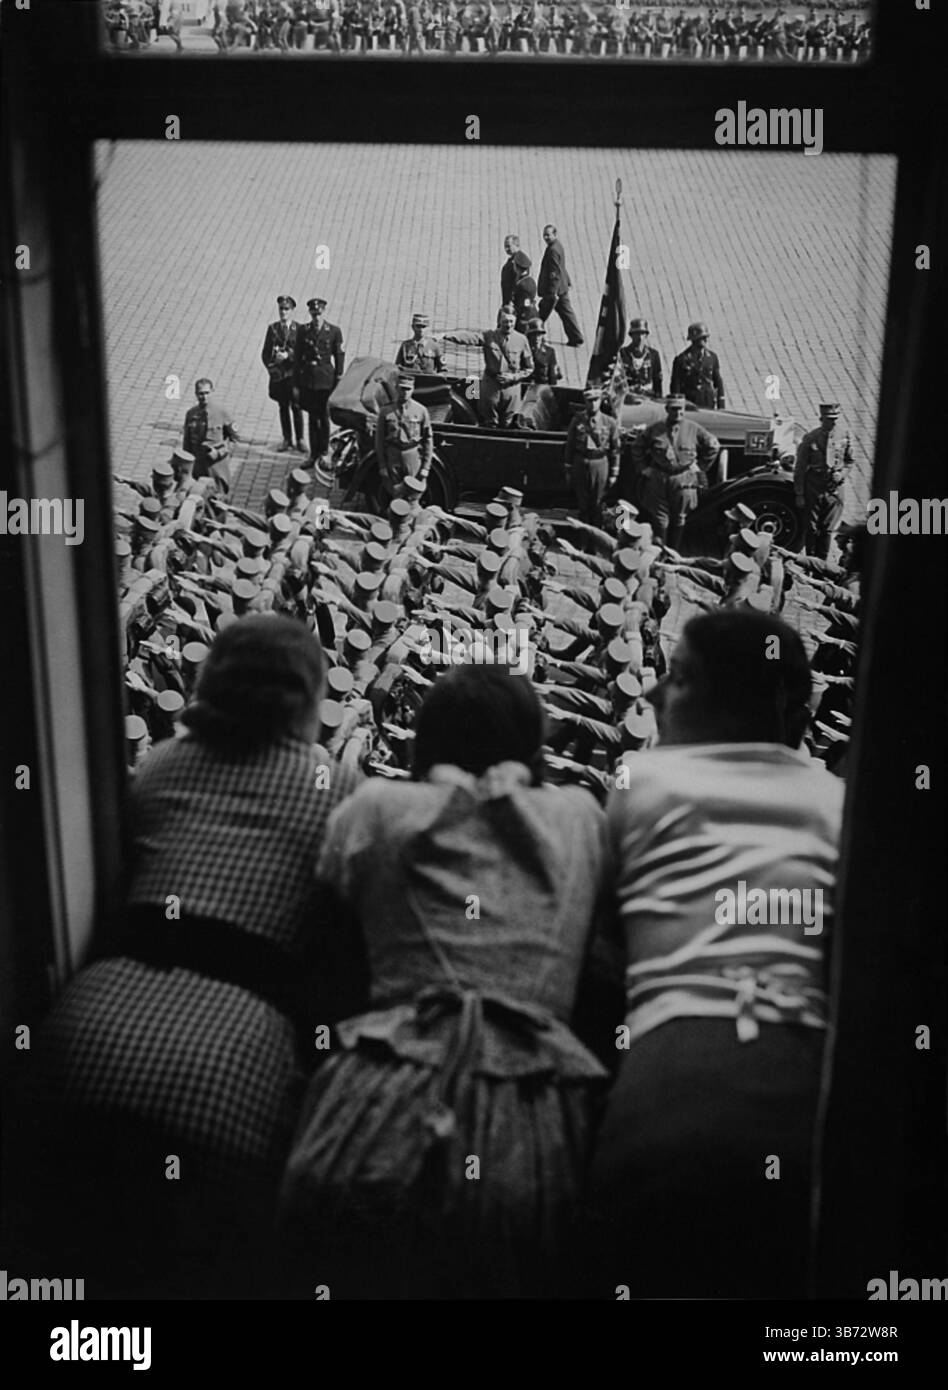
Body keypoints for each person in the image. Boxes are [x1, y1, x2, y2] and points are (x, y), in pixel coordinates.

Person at [17, 617, 360, 1298]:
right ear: (309, 698)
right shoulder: (333, 787)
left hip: (79, 1043)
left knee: (68, 1266)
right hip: (228, 1075)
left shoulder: (161, 763)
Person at [278, 664, 612, 1299]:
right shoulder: (579, 821)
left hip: (369, 1112)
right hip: (531, 1127)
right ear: (531, 748)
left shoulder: (375, 809)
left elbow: (322, 960)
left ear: (423, 742)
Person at [580, 608, 845, 1299]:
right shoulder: (838, 803)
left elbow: (599, 953)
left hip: (668, 1100)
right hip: (805, 1109)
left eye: (679, 679)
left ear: (730, 701)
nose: (657, 696)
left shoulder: (642, 779)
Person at [629, 392, 719, 548]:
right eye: (674, 409)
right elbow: (637, 446)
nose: (678, 413)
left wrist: (699, 467)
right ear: (667, 409)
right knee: (660, 518)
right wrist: (643, 468)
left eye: (681, 409)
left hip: (683, 479)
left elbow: (713, 446)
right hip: (659, 478)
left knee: (680, 518)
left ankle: (673, 553)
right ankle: (658, 552)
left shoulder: (693, 429)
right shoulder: (655, 429)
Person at [443, 306, 534, 427]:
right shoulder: (489, 336)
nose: (508, 325)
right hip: (491, 386)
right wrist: (446, 335)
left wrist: (514, 377)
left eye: (511, 321)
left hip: (511, 389)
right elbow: (469, 337)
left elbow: (529, 368)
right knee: (488, 420)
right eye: (505, 321)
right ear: (499, 321)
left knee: (510, 422)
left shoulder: (521, 340)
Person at [794, 402, 854, 559]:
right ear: (821, 419)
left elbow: (849, 461)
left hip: (834, 489)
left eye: (835, 418)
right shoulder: (810, 438)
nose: (832, 422)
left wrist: (842, 474)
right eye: (828, 419)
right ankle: (810, 561)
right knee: (812, 528)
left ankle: (822, 563)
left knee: (827, 529)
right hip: (814, 486)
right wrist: (799, 493)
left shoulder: (843, 435)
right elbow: (800, 468)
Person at [294, 296, 345, 471]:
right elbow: (297, 357)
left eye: (319, 314)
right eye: (313, 314)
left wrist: (338, 378)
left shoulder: (334, 331)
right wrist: (297, 382)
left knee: (324, 418)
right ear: (310, 313)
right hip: (308, 380)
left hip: (325, 381)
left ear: (324, 313)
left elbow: (339, 356)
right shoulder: (303, 330)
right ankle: (313, 454)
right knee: (312, 418)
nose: (316, 317)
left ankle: (324, 453)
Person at [564, 382, 621, 530]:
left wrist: (614, 472)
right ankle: (584, 539)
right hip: (581, 462)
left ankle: (596, 540)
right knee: (583, 505)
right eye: (590, 401)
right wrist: (569, 469)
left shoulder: (610, 423)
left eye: (596, 400)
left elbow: (615, 449)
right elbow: (570, 445)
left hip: (600, 463)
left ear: (601, 401)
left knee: (597, 504)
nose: (593, 404)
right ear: (585, 402)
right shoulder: (577, 420)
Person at [375, 371, 434, 502]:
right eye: (402, 389)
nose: (405, 392)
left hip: (412, 456)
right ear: (396, 388)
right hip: (393, 455)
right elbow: (379, 441)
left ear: (413, 390)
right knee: (395, 493)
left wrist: (425, 467)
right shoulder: (386, 412)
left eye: (408, 389)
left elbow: (428, 440)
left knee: (413, 494)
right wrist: (382, 466)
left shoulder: (421, 411)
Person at [261, 294, 306, 453]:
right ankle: (287, 438)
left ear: (292, 311)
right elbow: (265, 354)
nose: (283, 312)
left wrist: (289, 356)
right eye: (281, 309)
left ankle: (300, 439)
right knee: (283, 406)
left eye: (286, 309)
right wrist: (273, 368)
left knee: (297, 406)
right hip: (279, 376)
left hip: (293, 376)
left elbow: (304, 354)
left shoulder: (299, 329)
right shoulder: (273, 329)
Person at [182, 377, 241, 493]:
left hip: (216, 468)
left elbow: (234, 440)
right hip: (198, 467)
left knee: (219, 499)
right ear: (196, 394)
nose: (204, 397)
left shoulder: (221, 412)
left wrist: (219, 452)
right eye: (200, 394)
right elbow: (187, 443)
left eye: (207, 393)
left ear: (212, 391)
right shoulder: (191, 414)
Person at [538, 223, 584, 347]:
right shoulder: (557, 246)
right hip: (561, 288)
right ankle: (576, 338)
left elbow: (555, 273)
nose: (546, 237)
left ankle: (534, 334)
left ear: (555, 234)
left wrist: (553, 293)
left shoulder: (553, 250)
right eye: (544, 235)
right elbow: (561, 267)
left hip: (555, 291)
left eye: (548, 235)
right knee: (566, 313)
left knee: (542, 313)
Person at [669, 321, 726, 408]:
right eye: (703, 338)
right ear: (695, 339)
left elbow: (718, 382)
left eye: (706, 337)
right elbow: (676, 385)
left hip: (708, 401)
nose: (706, 340)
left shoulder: (712, 357)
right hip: (690, 402)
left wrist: (721, 404)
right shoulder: (681, 360)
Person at [616, 316, 664, 399]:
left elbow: (657, 380)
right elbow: (617, 380)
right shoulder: (623, 354)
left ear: (646, 335)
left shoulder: (653, 354)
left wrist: (658, 397)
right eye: (637, 334)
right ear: (631, 335)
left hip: (648, 397)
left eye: (642, 333)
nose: (640, 337)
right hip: (628, 398)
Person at [510, 251, 539, 333]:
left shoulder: (524, 286)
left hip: (526, 319)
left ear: (517, 267)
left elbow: (524, 306)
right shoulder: (528, 280)